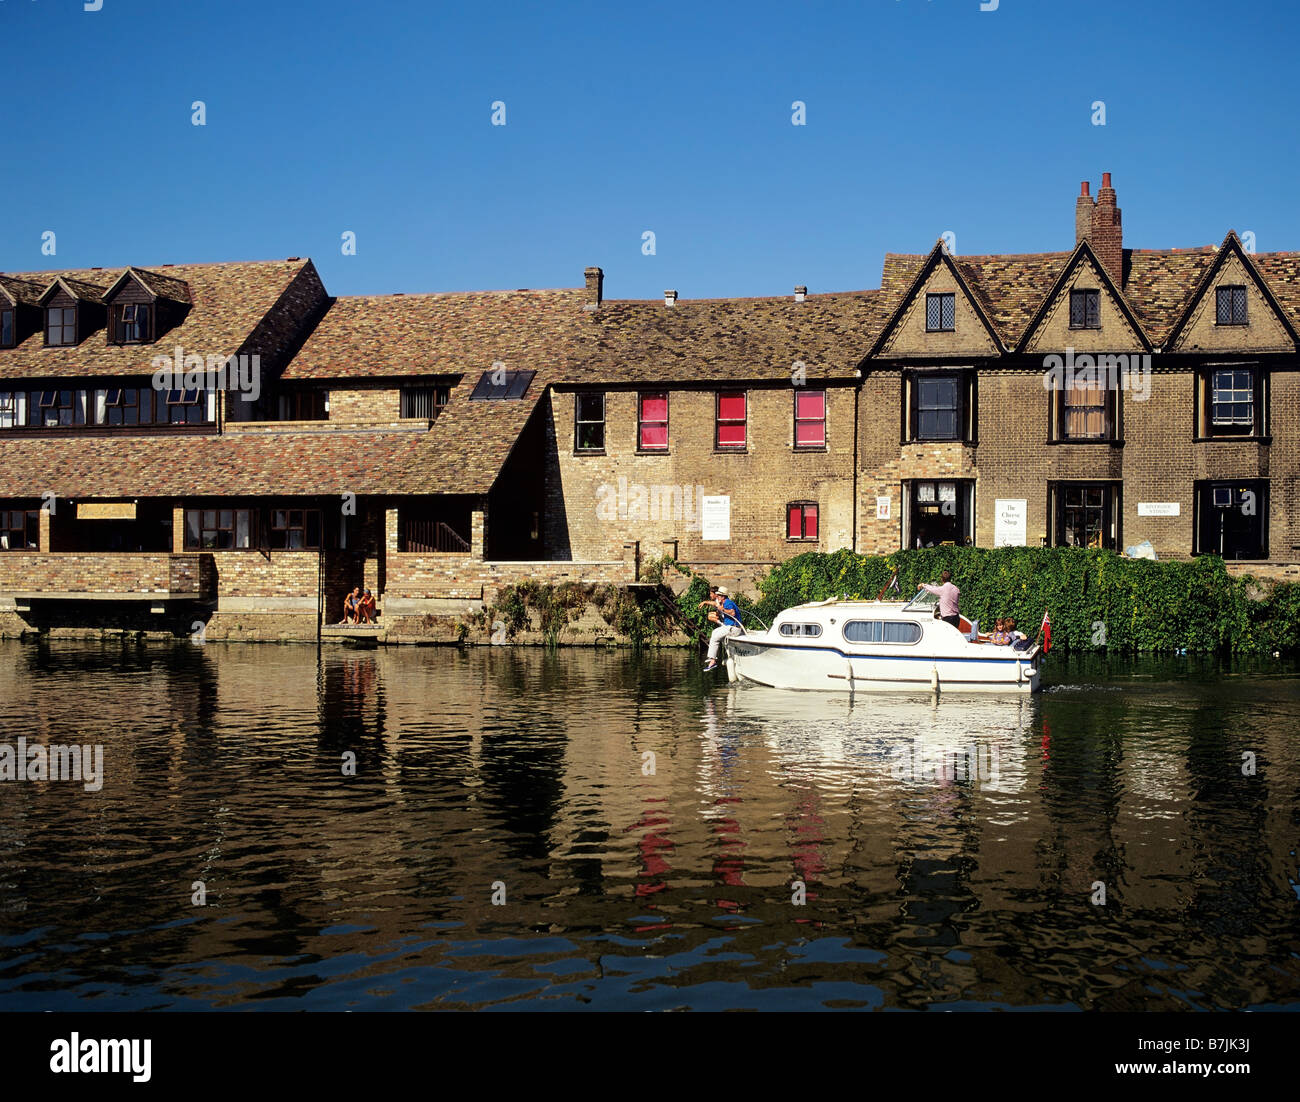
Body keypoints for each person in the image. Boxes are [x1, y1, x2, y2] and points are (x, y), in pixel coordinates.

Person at [701, 585, 744, 671]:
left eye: (719, 595)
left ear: (723, 596)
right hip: (729, 627)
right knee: (714, 633)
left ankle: (713, 661)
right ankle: (712, 658)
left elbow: (732, 613)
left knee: (715, 637)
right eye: (717, 595)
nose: (717, 596)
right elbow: (715, 604)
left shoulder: (727, 602)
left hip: (734, 628)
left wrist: (723, 609)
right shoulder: (724, 602)